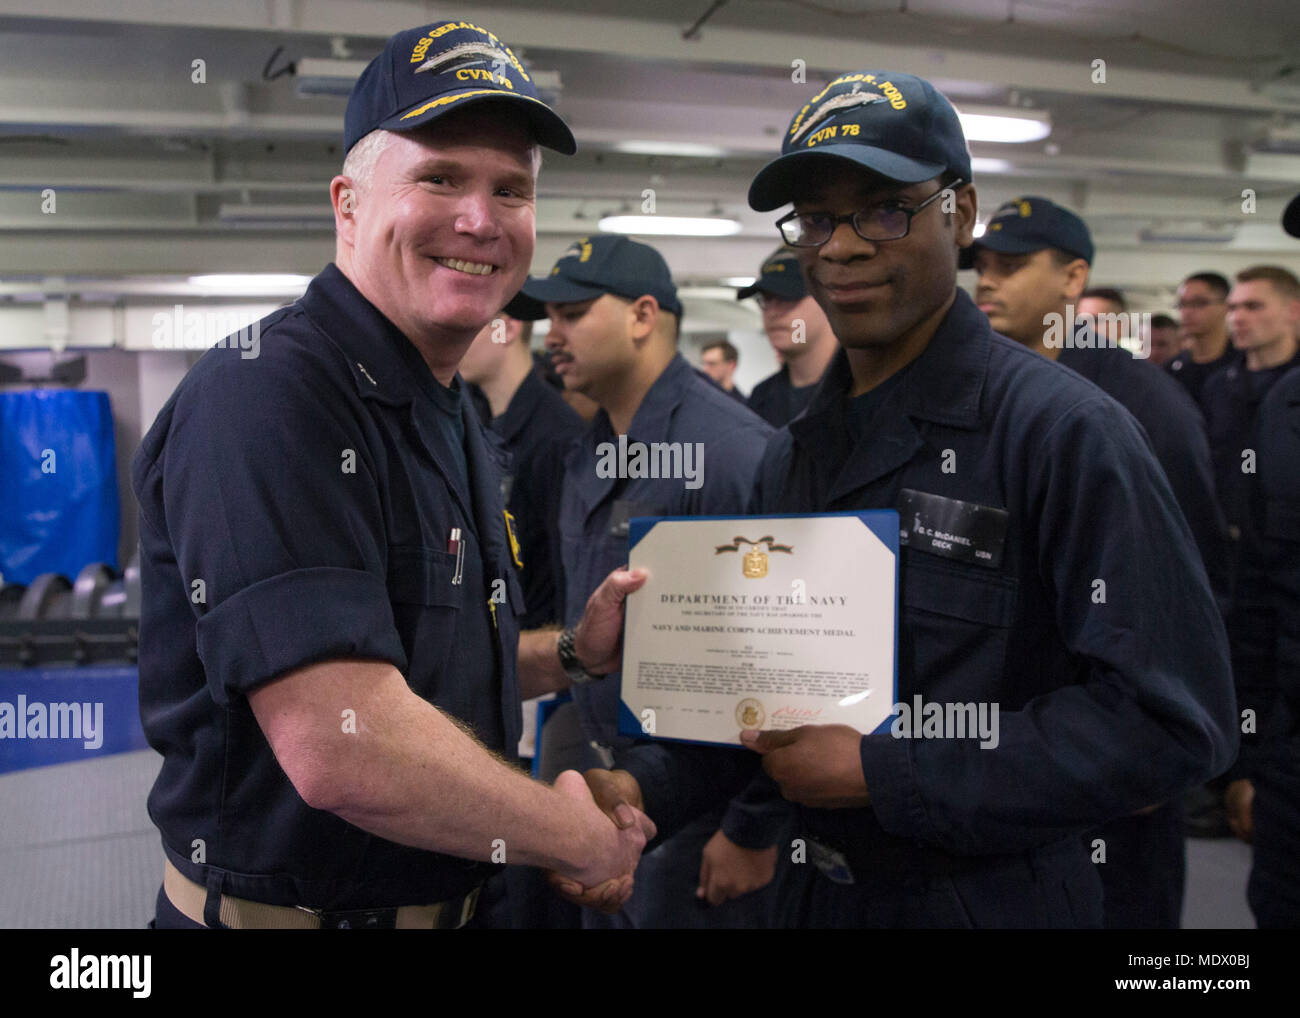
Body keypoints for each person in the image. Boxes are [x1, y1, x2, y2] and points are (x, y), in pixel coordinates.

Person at [585, 69, 1238, 929]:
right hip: (812, 899)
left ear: (959, 215)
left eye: (885, 209)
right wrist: (643, 786)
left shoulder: (1063, 435)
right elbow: (769, 707)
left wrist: (890, 770)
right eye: (816, 220)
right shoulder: (793, 458)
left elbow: (1169, 722)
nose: (842, 247)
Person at [133, 20, 654, 930]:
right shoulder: (270, 394)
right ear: (348, 203)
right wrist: (576, 836)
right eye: (439, 177)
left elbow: (418, 669)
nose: (480, 220)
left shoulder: (448, 409)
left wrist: (573, 654)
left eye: (510, 188)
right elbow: (347, 742)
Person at [965, 194, 1231, 926]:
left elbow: (1201, 588)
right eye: (982, 267)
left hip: (1118, 747)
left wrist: (1166, 739)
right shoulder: (991, 397)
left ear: (1074, 278)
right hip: (1020, 740)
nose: (987, 282)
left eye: (1012, 267)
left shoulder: (1139, 405)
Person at [506, 235, 776, 928]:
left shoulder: (731, 454)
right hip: (610, 793)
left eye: (573, 313)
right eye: (548, 317)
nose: (552, 333)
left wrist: (752, 828)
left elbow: (779, 661)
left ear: (643, 316)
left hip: (699, 813)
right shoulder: (588, 452)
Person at [459, 312, 584, 631]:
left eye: (466, 326)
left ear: (507, 328)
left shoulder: (558, 436)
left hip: (533, 646)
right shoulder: (473, 424)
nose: (453, 341)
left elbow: (563, 569)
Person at [1201, 267, 1300, 576]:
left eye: (1253, 307)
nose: (1237, 318)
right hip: (1227, 553)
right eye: (1233, 308)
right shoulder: (1217, 386)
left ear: (1293, 311)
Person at [739, 248, 838, 427]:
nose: (772, 312)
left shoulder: (864, 391)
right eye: (766, 299)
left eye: (787, 296)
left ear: (827, 298)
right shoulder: (761, 398)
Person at [1167, 272, 1235, 406]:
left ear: (1226, 306)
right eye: (1182, 304)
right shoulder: (1173, 369)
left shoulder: (1244, 364)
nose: (1187, 312)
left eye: (1199, 303)